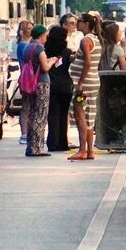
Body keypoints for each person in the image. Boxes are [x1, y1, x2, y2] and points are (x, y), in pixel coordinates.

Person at [70, 11, 109, 161]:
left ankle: (82, 150)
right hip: (93, 82)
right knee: (90, 116)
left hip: (84, 85)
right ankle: (90, 151)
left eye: (79, 21)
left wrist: (79, 83)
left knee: (80, 114)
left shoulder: (86, 40)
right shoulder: (96, 39)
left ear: (86, 24)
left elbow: (87, 62)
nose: (76, 24)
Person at [21, 27, 57, 156]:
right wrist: (52, 61)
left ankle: (31, 146)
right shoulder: (39, 48)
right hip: (41, 83)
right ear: (41, 35)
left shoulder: (27, 47)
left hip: (30, 84)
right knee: (40, 115)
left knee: (32, 113)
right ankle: (37, 147)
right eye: (45, 35)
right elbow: (45, 68)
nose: (46, 38)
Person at [46, 21, 74, 153]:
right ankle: (63, 142)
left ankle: (52, 142)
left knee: (52, 115)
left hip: (50, 85)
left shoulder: (45, 51)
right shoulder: (67, 52)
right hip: (65, 86)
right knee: (64, 116)